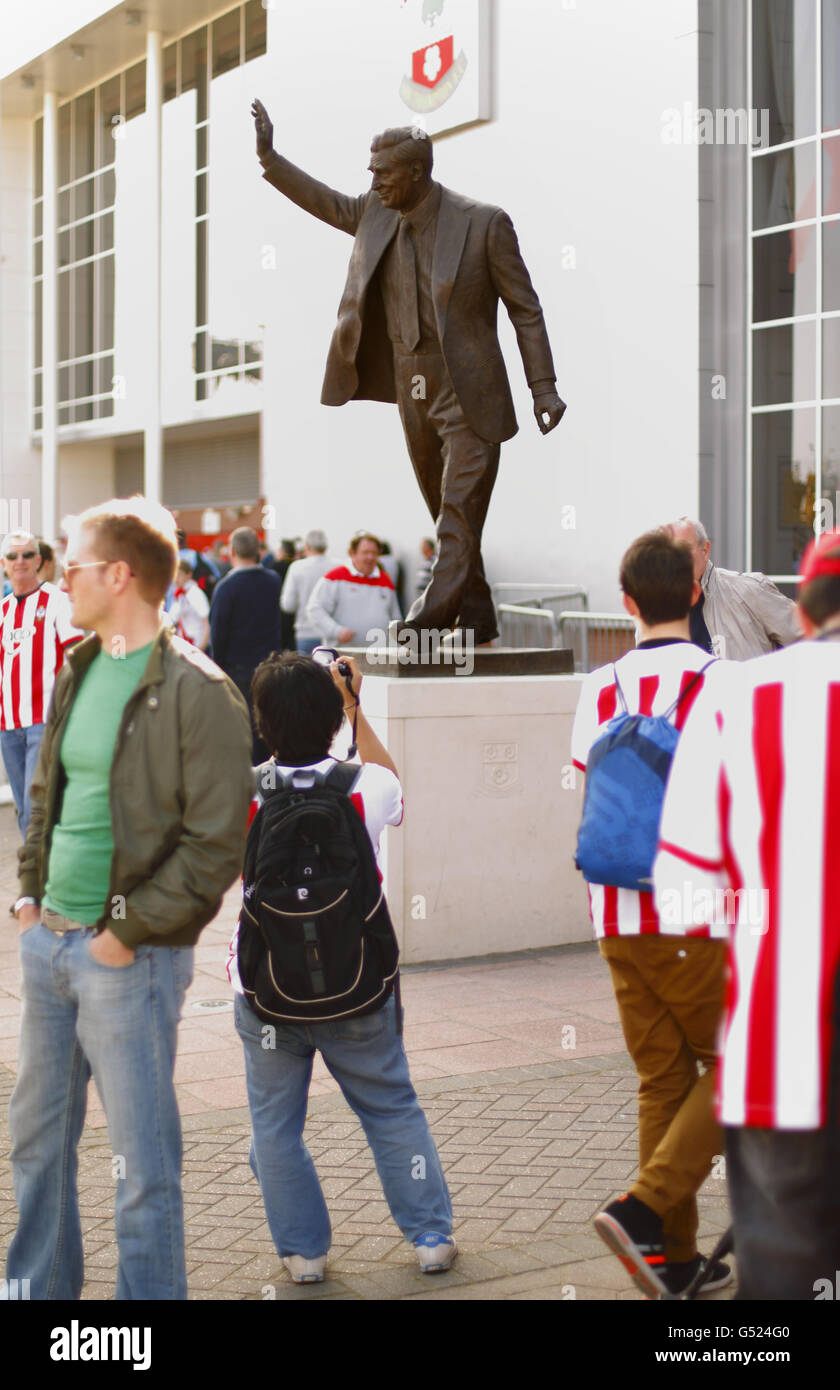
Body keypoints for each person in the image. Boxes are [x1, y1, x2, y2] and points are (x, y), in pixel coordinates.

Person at [4, 497, 252, 1300]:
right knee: (37, 1145)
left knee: (142, 1167)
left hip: (129, 957)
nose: (56, 574)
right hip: (50, 947)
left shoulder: (201, 691)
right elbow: (47, 793)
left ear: (119, 575)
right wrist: (30, 899)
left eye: (69, 563)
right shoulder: (78, 665)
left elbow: (217, 842)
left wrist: (127, 933)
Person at [251, 102, 566, 647]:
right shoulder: (375, 212)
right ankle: (477, 619)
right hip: (412, 386)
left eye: (382, 171)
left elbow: (525, 309)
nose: (371, 181)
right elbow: (323, 202)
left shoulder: (483, 222)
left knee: (456, 513)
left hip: (470, 390)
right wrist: (271, 158)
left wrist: (543, 386)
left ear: (417, 172)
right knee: (450, 514)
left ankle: (425, 623)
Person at [653, 527, 840, 1300]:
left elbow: (682, 896)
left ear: (802, 615)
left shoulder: (737, 695)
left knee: (782, 1282)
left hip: (782, 1033)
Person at [227, 651, 455, 1282]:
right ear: (332, 717)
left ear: (262, 721)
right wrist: (354, 704)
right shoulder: (366, 786)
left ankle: (304, 1255)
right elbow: (395, 788)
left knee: (274, 1128)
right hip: (359, 983)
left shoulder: (242, 790)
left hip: (266, 989)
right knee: (390, 1108)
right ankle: (431, 1237)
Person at [571, 530, 731, 1299]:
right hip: (696, 914)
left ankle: (669, 1261)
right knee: (747, 1065)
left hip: (613, 915)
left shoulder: (600, 685)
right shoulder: (725, 684)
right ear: (696, 594)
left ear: (625, 602)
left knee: (662, 1081)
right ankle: (642, 1210)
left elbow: (591, 782)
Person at [0, 529, 83, 838]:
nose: (19, 561)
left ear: (38, 560)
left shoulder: (58, 602)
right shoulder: (3, 611)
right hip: (8, 725)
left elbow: (74, 657)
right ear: (3, 564)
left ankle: (43, 877)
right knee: (23, 808)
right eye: (12, 556)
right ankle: (36, 874)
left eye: (26, 555)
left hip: (44, 721)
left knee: (37, 804)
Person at [667, 517, 800, 659]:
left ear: (705, 550)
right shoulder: (656, 609)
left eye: (682, 549)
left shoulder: (749, 591)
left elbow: (810, 642)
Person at [209, 526, 284, 760]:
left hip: (238, 670)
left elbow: (217, 634)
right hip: (271, 665)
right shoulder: (273, 581)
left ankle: (252, 784)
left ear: (231, 551)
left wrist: (216, 668)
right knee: (271, 726)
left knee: (245, 730)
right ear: (258, 551)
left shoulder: (225, 588)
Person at [307, 531, 401, 647]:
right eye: (365, 552)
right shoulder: (335, 577)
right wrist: (335, 631)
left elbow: (396, 618)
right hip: (343, 655)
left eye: (374, 553)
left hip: (378, 657)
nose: (370, 557)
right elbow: (314, 609)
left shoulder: (385, 580)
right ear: (352, 553)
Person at [280, 528, 332, 654]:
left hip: (306, 631)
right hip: (332, 632)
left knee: (307, 672)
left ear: (306, 547)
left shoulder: (297, 567)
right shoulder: (339, 566)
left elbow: (288, 605)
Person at [169, 558, 210, 650]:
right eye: (173, 575)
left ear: (189, 575)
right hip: (186, 644)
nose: (175, 579)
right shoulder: (180, 594)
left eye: (179, 575)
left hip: (197, 644)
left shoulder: (195, 593)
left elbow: (207, 621)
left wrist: (202, 647)